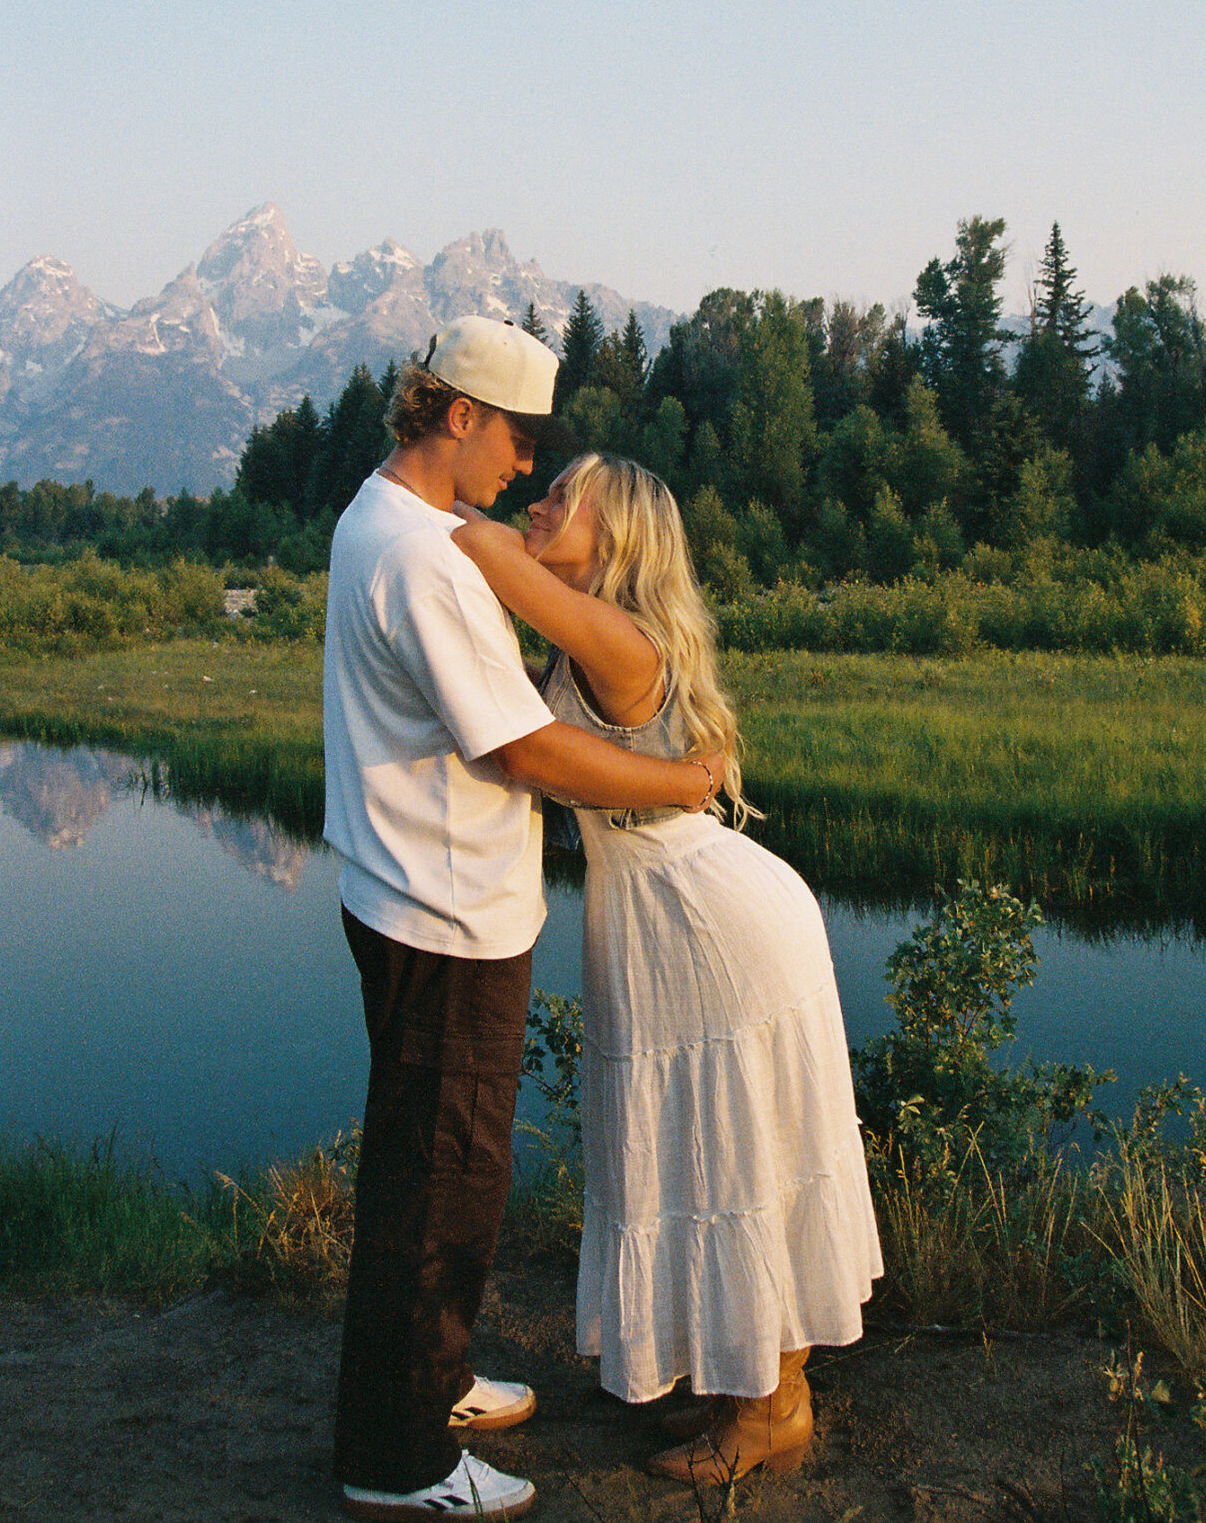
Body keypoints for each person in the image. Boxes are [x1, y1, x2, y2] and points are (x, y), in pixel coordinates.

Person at [324, 322, 725, 1523]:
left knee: (432, 1165)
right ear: (459, 417)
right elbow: (524, 744)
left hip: (402, 889)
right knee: (440, 1181)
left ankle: (431, 1380)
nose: (519, 465)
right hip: (445, 913)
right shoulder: (428, 561)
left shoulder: (377, 517)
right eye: (515, 438)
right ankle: (398, 1462)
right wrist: (683, 781)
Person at [452, 452, 883, 1488]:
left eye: (564, 494)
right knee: (713, 1147)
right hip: (663, 912)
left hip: (701, 916)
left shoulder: (618, 638)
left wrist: (434, 505)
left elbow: (479, 546)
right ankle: (753, 1381)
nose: (538, 501)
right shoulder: (597, 627)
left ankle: (768, 1409)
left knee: (737, 1152)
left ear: (619, 536)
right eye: (542, 485)